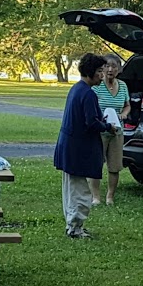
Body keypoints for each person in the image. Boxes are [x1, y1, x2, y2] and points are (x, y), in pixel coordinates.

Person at [53, 53, 115, 239]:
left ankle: (72, 224)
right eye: (99, 71)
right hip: (77, 149)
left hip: (69, 146)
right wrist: (107, 127)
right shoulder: (87, 93)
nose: (102, 75)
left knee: (71, 188)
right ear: (90, 72)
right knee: (79, 190)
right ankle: (75, 227)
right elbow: (91, 123)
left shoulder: (76, 89)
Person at [91, 53, 132, 205]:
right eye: (107, 66)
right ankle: (95, 197)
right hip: (100, 131)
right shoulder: (97, 85)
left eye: (114, 66)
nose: (110, 69)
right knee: (96, 164)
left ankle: (110, 197)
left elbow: (128, 105)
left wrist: (123, 114)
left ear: (119, 69)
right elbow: (91, 106)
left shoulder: (122, 86)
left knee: (114, 166)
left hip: (117, 131)